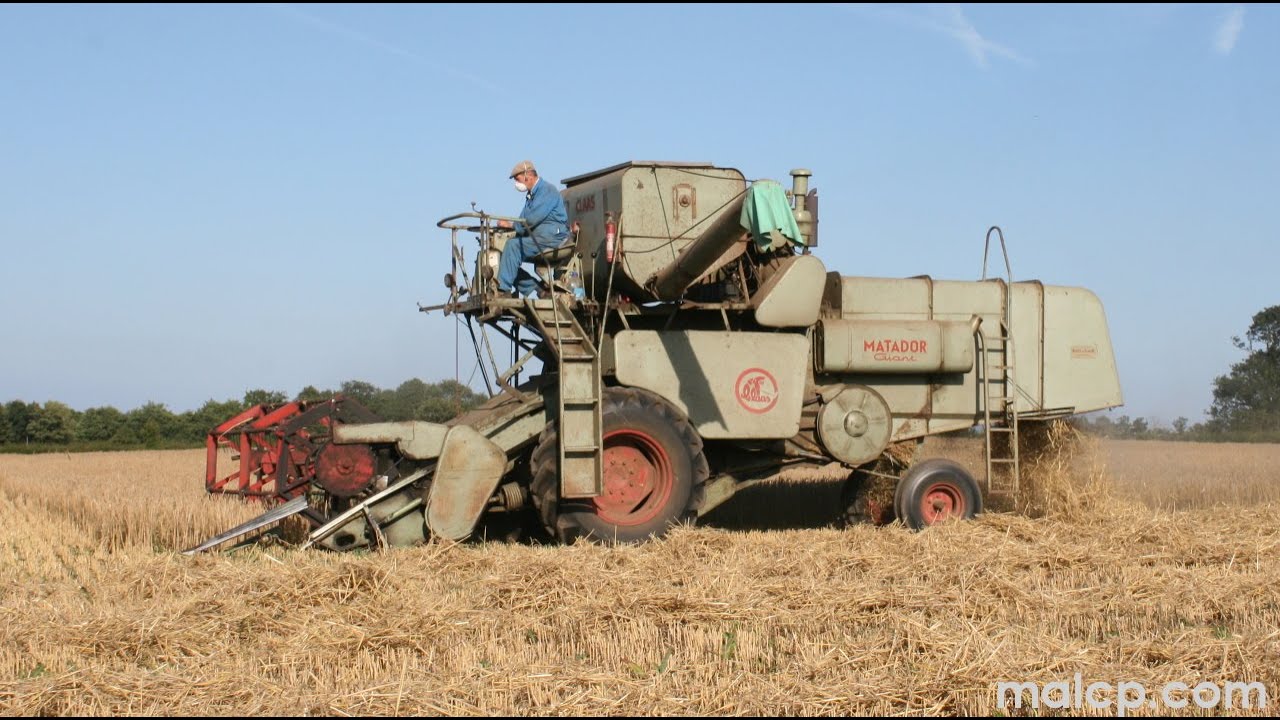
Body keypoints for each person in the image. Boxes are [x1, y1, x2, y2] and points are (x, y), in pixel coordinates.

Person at [495, 160, 570, 298]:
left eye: (517, 179)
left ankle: (502, 290)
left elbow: (531, 219)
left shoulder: (547, 190)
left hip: (552, 238)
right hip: (539, 238)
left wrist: (511, 225)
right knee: (504, 257)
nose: (516, 184)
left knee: (512, 247)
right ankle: (539, 290)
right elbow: (523, 222)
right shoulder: (531, 196)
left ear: (527, 175)